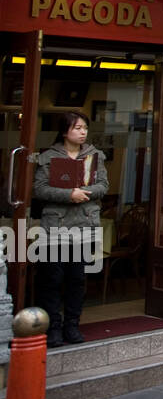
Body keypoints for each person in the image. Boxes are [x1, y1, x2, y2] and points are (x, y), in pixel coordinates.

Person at [33, 110, 109, 347]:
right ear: (65, 131)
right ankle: (53, 328)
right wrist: (69, 194)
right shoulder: (49, 157)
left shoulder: (95, 157)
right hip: (55, 226)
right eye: (77, 128)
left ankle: (72, 326)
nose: (82, 132)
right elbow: (39, 189)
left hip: (84, 225)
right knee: (52, 278)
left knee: (77, 278)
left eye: (85, 128)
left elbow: (103, 186)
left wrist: (83, 193)